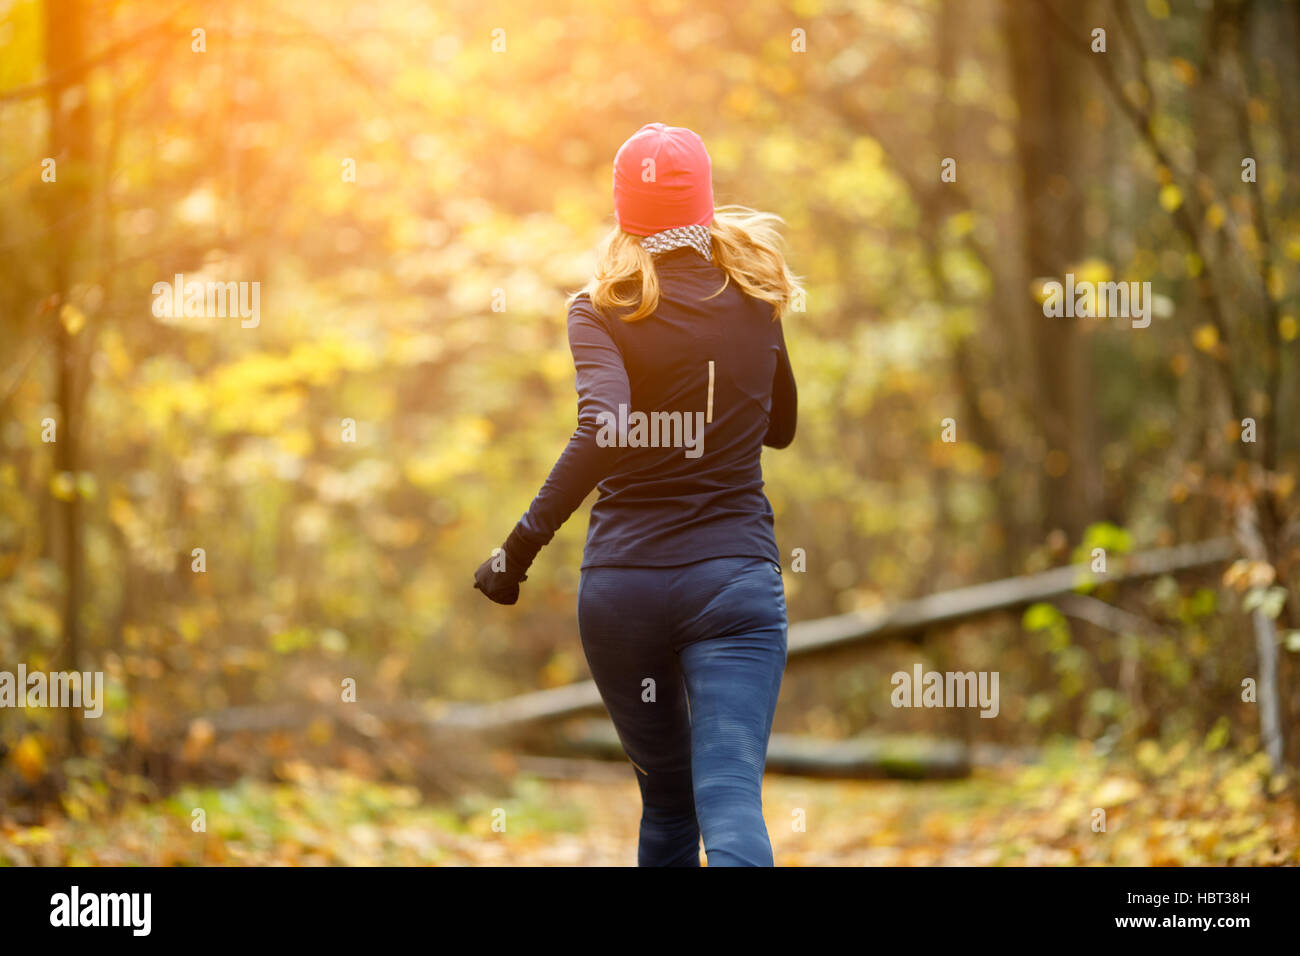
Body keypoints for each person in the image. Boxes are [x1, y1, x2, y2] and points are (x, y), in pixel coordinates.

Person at [474, 122, 800, 867]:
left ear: (625, 212)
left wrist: (517, 550)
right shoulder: (756, 294)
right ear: (706, 202)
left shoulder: (599, 308)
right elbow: (780, 428)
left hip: (624, 590)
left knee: (667, 809)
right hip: (733, 580)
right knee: (729, 797)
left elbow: (606, 428)